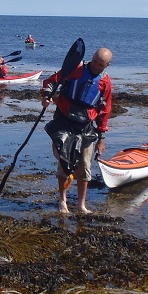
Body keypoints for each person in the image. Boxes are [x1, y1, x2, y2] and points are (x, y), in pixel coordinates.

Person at [41, 47, 113, 214]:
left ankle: (81, 205)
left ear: (107, 66)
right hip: (64, 122)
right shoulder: (75, 69)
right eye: (95, 61)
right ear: (92, 57)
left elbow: (106, 110)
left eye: (100, 64)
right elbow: (51, 82)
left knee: (85, 166)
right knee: (64, 164)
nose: (96, 65)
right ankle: (62, 201)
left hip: (86, 127)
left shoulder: (105, 82)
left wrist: (101, 137)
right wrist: (46, 96)